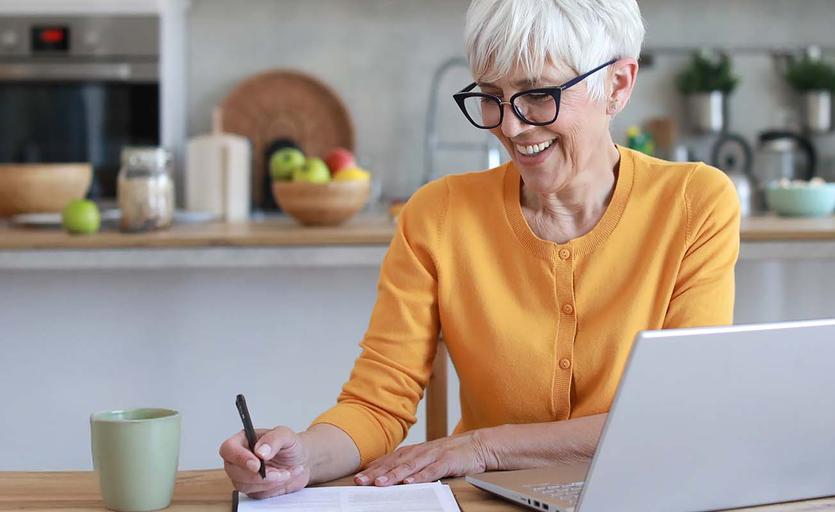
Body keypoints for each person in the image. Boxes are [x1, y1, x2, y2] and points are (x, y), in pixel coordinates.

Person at [219, 0, 739, 499]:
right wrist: (303, 457)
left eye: (538, 94)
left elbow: (676, 414)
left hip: (645, 495)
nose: (511, 127)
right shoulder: (437, 215)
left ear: (618, 84)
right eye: (491, 96)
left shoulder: (695, 203)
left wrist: (483, 446)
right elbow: (377, 403)